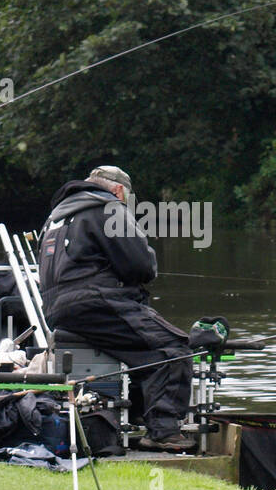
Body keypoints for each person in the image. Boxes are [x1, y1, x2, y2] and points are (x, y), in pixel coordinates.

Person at [37, 165, 194, 452]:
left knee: (142, 347)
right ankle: (163, 431)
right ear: (120, 191)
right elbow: (141, 266)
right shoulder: (109, 207)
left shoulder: (56, 217)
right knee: (173, 349)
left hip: (57, 311)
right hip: (96, 302)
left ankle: (133, 417)